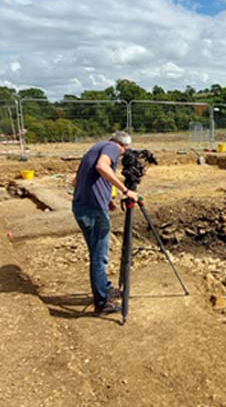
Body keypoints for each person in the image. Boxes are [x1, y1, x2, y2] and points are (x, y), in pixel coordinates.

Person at [72, 131, 139, 315]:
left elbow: (76, 181)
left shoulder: (95, 148)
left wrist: (106, 197)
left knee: (96, 252)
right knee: (99, 257)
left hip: (82, 207)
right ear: (123, 146)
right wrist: (126, 190)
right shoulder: (112, 148)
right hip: (93, 212)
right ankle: (102, 302)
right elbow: (102, 167)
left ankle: (105, 287)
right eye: (126, 150)